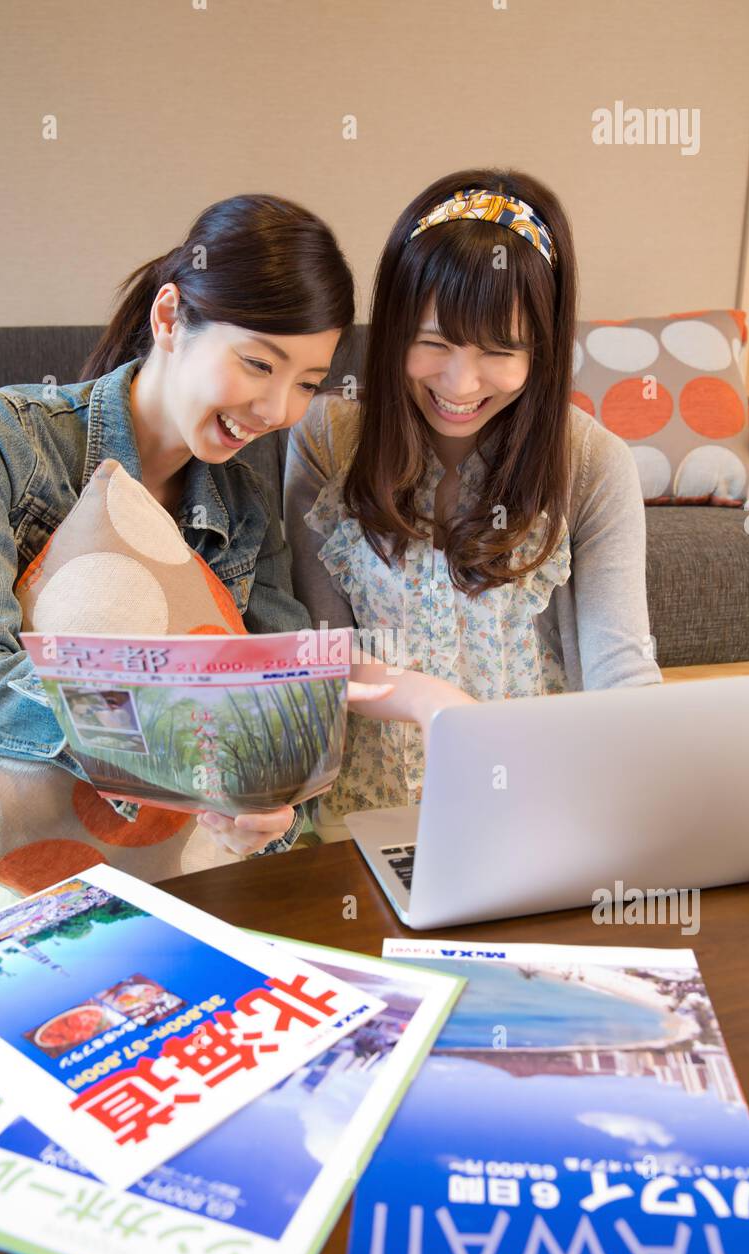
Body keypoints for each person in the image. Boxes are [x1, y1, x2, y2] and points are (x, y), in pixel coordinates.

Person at [0, 194, 382, 863]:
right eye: (257, 364)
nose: (278, 410)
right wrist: (171, 753)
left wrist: (269, 808)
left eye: (307, 383)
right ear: (169, 317)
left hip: (167, 871)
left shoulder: (247, 508)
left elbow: (283, 706)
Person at [284, 169, 661, 840]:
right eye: (431, 344)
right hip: (363, 826)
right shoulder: (326, 439)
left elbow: (620, 670)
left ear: (541, 350)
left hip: (535, 812)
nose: (459, 384)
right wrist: (431, 702)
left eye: (499, 351)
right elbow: (322, 654)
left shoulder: (593, 462)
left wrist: (678, 786)